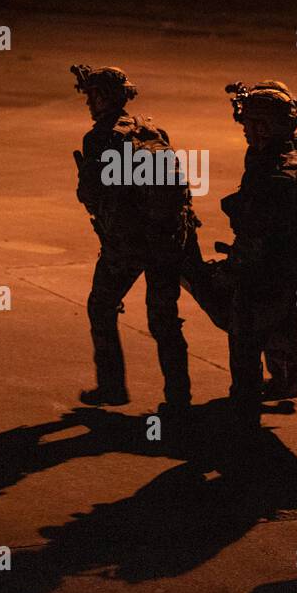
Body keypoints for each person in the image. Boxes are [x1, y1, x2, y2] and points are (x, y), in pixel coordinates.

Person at [201, 81, 297, 428]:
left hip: (269, 278)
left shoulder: (276, 173)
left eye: (250, 123)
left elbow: (257, 230)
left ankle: (245, 421)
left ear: (265, 126)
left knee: (244, 341)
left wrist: (233, 266)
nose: (245, 129)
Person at [72, 65, 198, 410]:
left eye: (91, 96)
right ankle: (178, 400)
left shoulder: (99, 138)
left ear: (102, 98)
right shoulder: (153, 128)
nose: (88, 104)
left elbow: (90, 194)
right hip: (167, 240)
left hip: (127, 244)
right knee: (165, 321)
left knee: (100, 306)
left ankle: (112, 387)